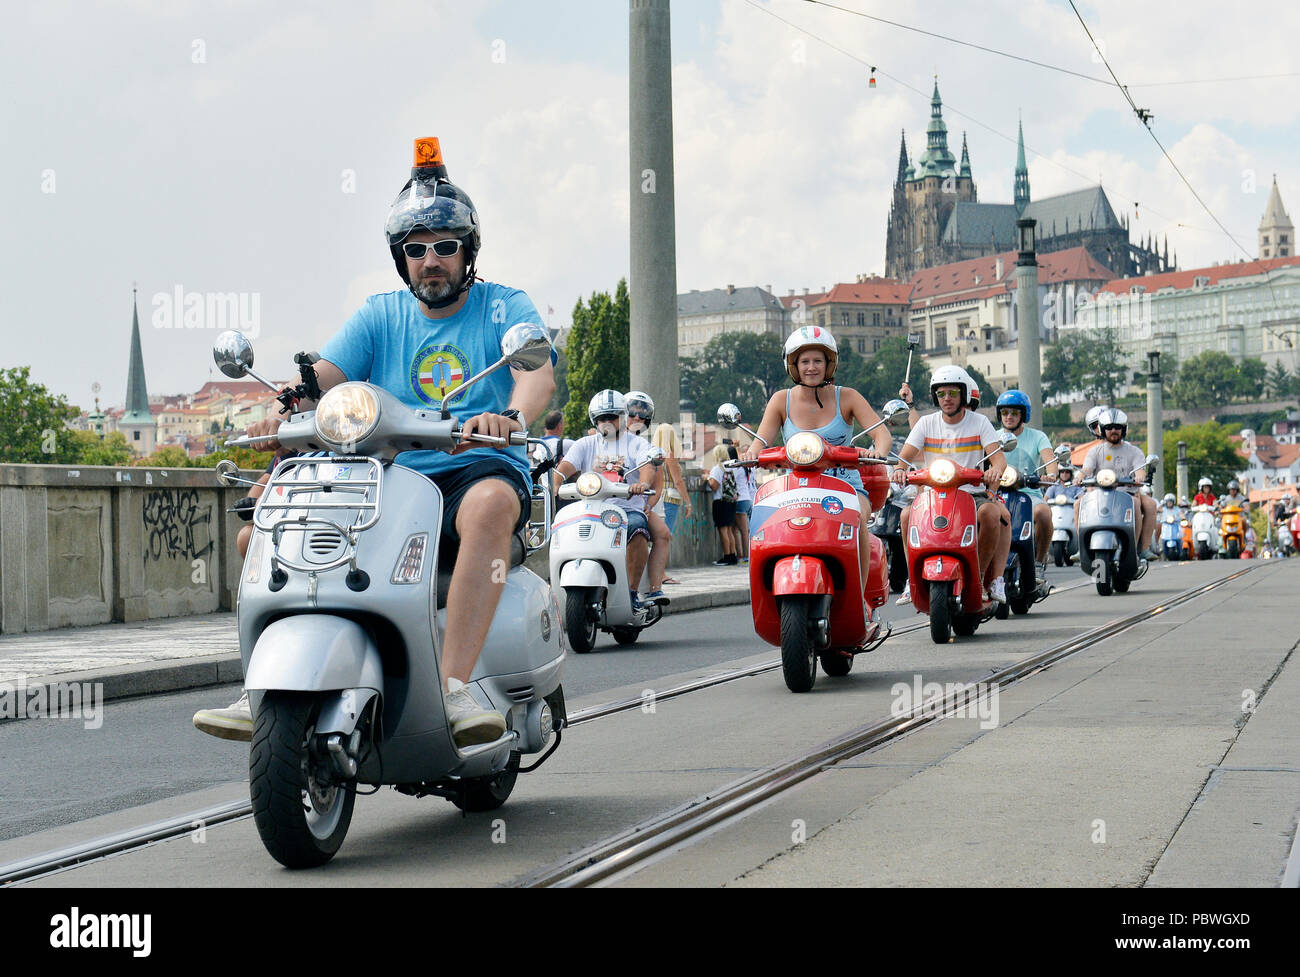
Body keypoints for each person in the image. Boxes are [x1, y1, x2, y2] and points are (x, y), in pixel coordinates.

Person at [193, 145, 555, 748]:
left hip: (475, 461)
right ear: (400, 259)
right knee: (263, 526)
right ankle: (262, 687)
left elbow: (536, 371)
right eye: (416, 250)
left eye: (444, 246)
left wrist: (511, 416)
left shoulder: (504, 306)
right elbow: (329, 377)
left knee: (492, 506)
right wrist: (289, 402)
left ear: (468, 252)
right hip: (387, 472)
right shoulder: (379, 314)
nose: (430, 261)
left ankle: (457, 689)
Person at [744, 326, 892, 587]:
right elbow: (761, 441)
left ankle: (857, 595)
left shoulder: (847, 397)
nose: (811, 367)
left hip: (846, 486)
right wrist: (750, 454)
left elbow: (882, 435)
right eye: (804, 362)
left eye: (817, 361)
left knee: (856, 517)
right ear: (794, 366)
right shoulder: (781, 400)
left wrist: (876, 452)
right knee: (766, 522)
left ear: (829, 365)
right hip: (797, 489)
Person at [892, 366, 1012, 605]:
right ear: (935, 396)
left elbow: (998, 458)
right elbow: (904, 457)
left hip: (971, 493)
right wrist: (898, 470)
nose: (947, 398)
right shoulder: (926, 423)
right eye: (941, 393)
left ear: (964, 394)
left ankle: (979, 576)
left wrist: (995, 470)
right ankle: (911, 579)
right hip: (932, 495)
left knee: (991, 512)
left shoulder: (980, 423)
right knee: (906, 515)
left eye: (953, 393)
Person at [554, 390, 668, 607]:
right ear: (595, 421)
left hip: (628, 509)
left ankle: (632, 593)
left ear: (622, 417)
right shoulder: (585, 444)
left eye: (612, 417)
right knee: (562, 528)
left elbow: (647, 466)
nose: (607, 422)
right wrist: (556, 483)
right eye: (602, 418)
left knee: (638, 530)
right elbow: (565, 467)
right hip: (591, 509)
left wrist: (642, 484)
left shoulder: (636, 443)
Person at [995, 389, 1058, 588]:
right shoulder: (992, 437)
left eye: (1014, 413)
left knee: (1044, 513)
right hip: (997, 493)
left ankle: (1038, 562)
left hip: (1029, 492)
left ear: (1024, 415)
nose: (1009, 417)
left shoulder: (1037, 437)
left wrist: (1051, 475)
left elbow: (1050, 460)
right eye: (1005, 413)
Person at [1078, 408, 1157, 561]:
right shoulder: (1095, 451)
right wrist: (1079, 477)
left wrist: (1140, 477)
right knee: (1078, 505)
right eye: (1109, 427)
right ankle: (1082, 548)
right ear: (1102, 429)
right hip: (1100, 494)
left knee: (1144, 504)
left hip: (1127, 493)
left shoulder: (1134, 451)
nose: (1113, 431)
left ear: (1124, 429)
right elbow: (1087, 469)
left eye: (1117, 427)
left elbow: (1140, 470)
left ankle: (1139, 548)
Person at [623, 391, 674, 597]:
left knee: (663, 533)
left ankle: (654, 588)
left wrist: (648, 506)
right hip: (605, 503)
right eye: (632, 413)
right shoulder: (600, 440)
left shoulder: (651, 449)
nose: (637, 418)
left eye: (642, 415)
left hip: (636, 505)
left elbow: (658, 486)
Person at [650, 421, 693, 584]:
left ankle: (656, 574)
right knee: (665, 537)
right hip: (670, 499)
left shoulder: (654, 455)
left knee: (657, 537)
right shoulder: (670, 455)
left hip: (658, 498)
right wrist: (688, 503)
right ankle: (661, 574)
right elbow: (678, 481)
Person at [705, 442, 739, 565]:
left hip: (720, 501)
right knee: (729, 530)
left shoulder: (717, 468)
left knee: (723, 530)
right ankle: (732, 556)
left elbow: (714, 486)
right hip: (731, 501)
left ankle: (726, 556)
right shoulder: (731, 467)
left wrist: (707, 479)